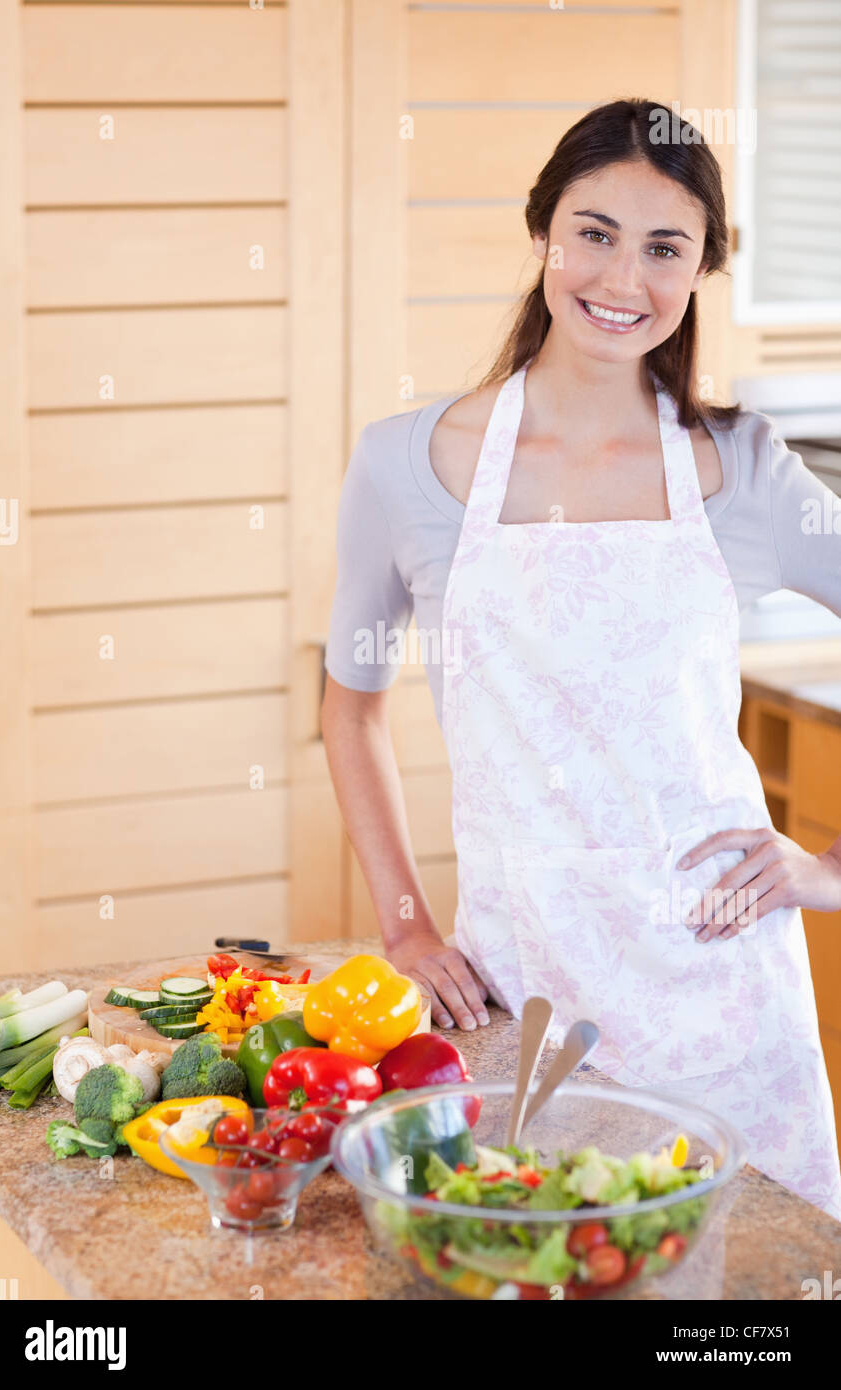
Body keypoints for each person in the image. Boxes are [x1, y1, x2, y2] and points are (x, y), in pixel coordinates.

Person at [321, 98, 841, 1219]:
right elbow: (349, 706)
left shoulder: (741, 468)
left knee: (740, 1294)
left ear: (702, 268)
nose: (622, 276)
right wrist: (405, 922)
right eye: (593, 231)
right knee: (535, 1260)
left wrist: (827, 871)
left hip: (722, 986)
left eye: (665, 247)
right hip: (522, 987)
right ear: (544, 233)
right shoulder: (405, 465)